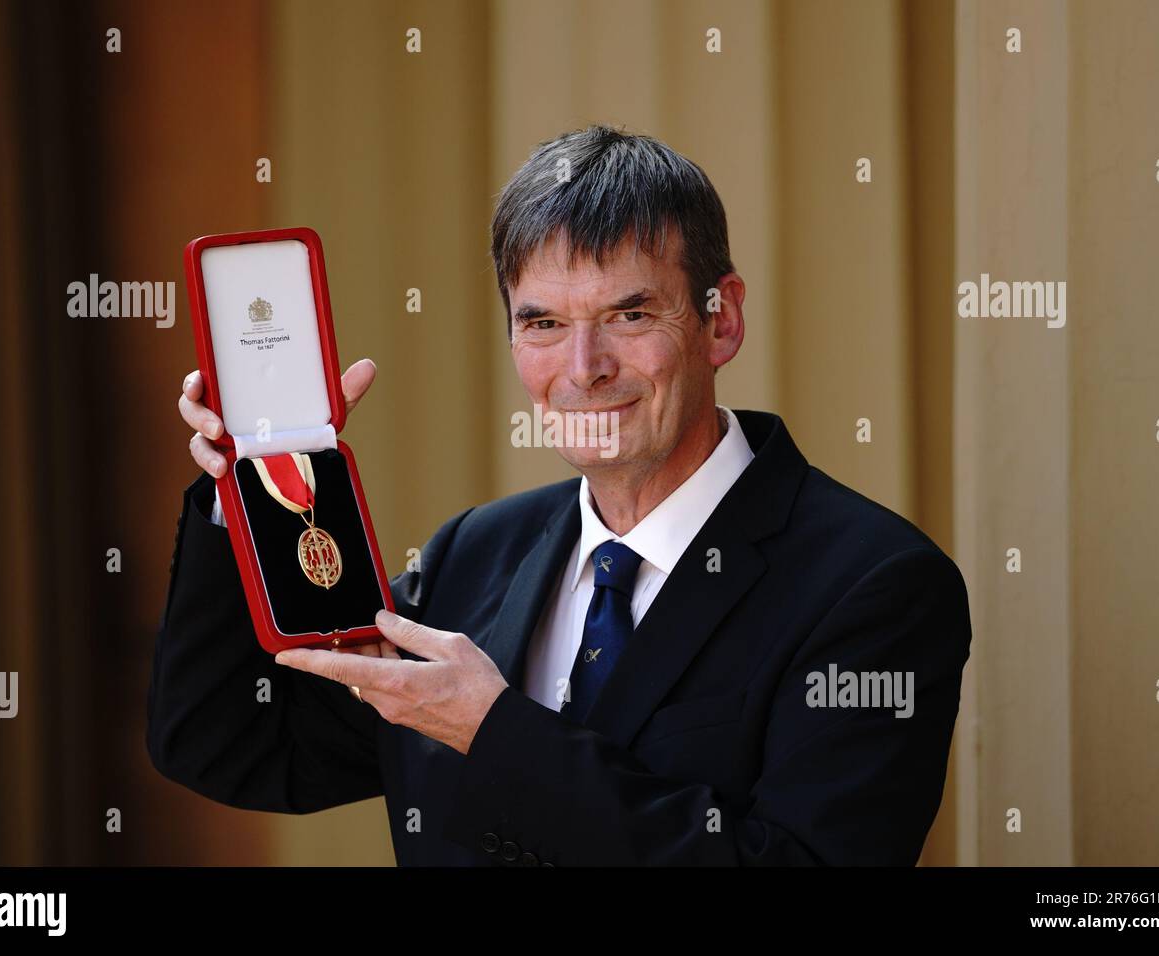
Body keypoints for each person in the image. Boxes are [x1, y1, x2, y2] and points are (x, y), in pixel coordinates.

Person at [147, 124, 972, 866]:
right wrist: (257, 471)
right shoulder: (474, 553)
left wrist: (497, 734)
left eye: (631, 313)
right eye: (543, 323)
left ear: (721, 320)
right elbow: (231, 744)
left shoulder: (877, 585)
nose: (583, 370)